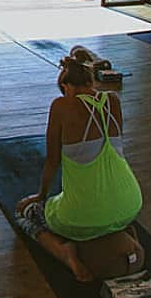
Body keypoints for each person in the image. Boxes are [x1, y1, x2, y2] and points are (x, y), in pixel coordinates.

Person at [14, 57, 143, 282]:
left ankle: (65, 253)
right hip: (131, 204)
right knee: (103, 207)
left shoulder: (61, 105)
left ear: (66, 87)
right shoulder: (113, 100)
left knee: (24, 214)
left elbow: (52, 161)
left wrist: (40, 196)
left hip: (80, 217)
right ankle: (120, 230)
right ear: (90, 82)